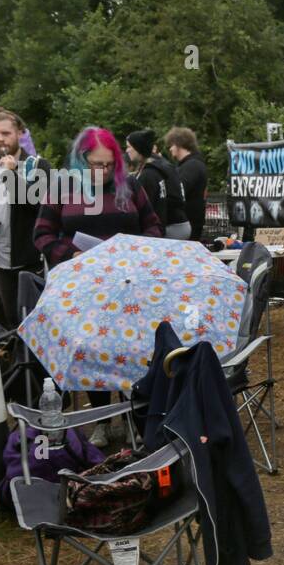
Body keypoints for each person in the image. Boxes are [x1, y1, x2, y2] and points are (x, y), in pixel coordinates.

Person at [34, 125, 164, 447]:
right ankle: (102, 420)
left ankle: (136, 417)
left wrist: (133, 250)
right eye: (96, 164)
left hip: (127, 286)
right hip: (84, 288)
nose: (103, 171)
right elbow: (42, 235)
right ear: (81, 160)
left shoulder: (131, 187)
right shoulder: (61, 189)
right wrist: (71, 254)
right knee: (93, 351)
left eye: (109, 165)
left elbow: (154, 228)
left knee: (133, 350)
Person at [0, 107, 51, 328]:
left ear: (19, 133)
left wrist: (11, 174)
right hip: (0, 257)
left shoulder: (38, 165)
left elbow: (36, 204)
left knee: (34, 317)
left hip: (29, 256)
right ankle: (17, 360)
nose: (0, 139)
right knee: (11, 317)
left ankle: (36, 362)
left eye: (5, 133)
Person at [126, 128, 190, 240]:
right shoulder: (156, 168)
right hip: (178, 224)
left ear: (138, 148)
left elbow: (147, 208)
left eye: (129, 146)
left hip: (171, 227)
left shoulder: (148, 175)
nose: (126, 150)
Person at [164, 126, 209, 242]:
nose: (170, 149)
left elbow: (179, 190)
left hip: (190, 223)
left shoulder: (191, 166)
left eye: (172, 145)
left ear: (179, 144)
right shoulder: (191, 164)